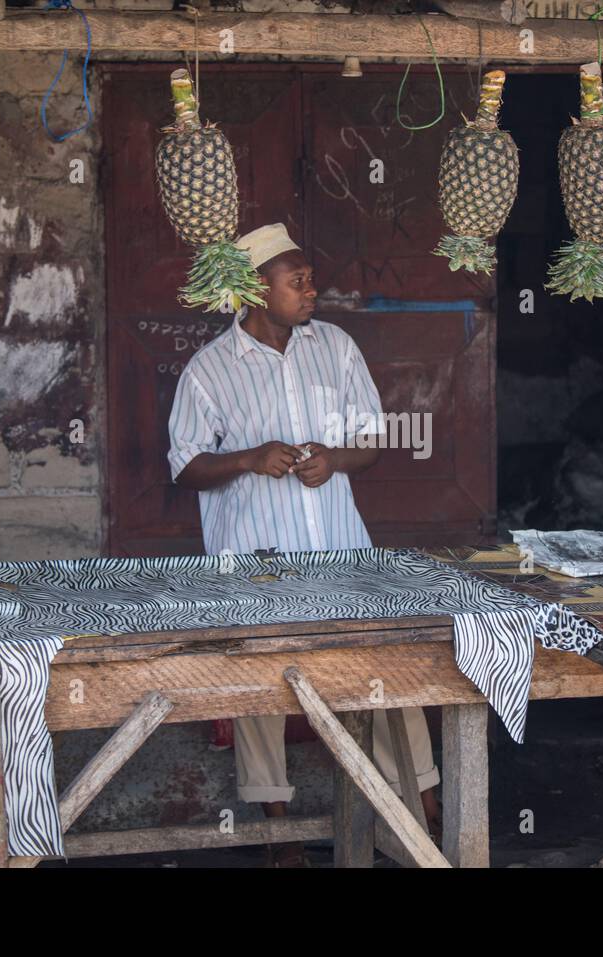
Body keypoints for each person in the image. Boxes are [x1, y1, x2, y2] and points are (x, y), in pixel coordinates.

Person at [168, 223, 441, 866]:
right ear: (255, 290)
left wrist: (335, 459)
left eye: (310, 278)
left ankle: (420, 807)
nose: (313, 289)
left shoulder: (336, 348)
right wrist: (248, 458)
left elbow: (372, 439)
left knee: (384, 670)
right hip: (254, 562)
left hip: (342, 552)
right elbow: (184, 466)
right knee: (261, 690)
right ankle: (279, 831)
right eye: (299, 280)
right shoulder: (209, 370)